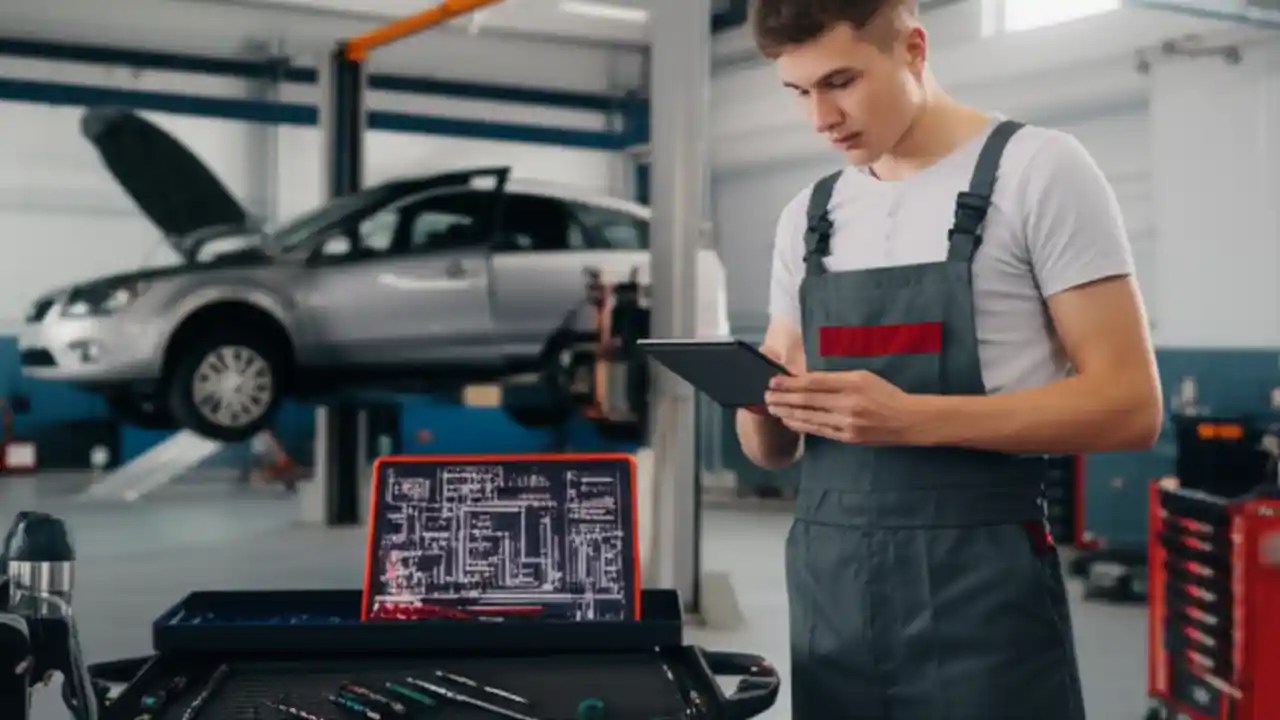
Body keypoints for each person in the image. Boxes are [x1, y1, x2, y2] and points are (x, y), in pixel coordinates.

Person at [734, 1, 1164, 717]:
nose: (821, 118)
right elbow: (771, 454)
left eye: (841, 81)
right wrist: (763, 405)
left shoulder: (1038, 171)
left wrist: (909, 419)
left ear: (912, 47)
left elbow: (1129, 406)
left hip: (982, 590)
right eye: (799, 92)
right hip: (830, 590)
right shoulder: (808, 215)